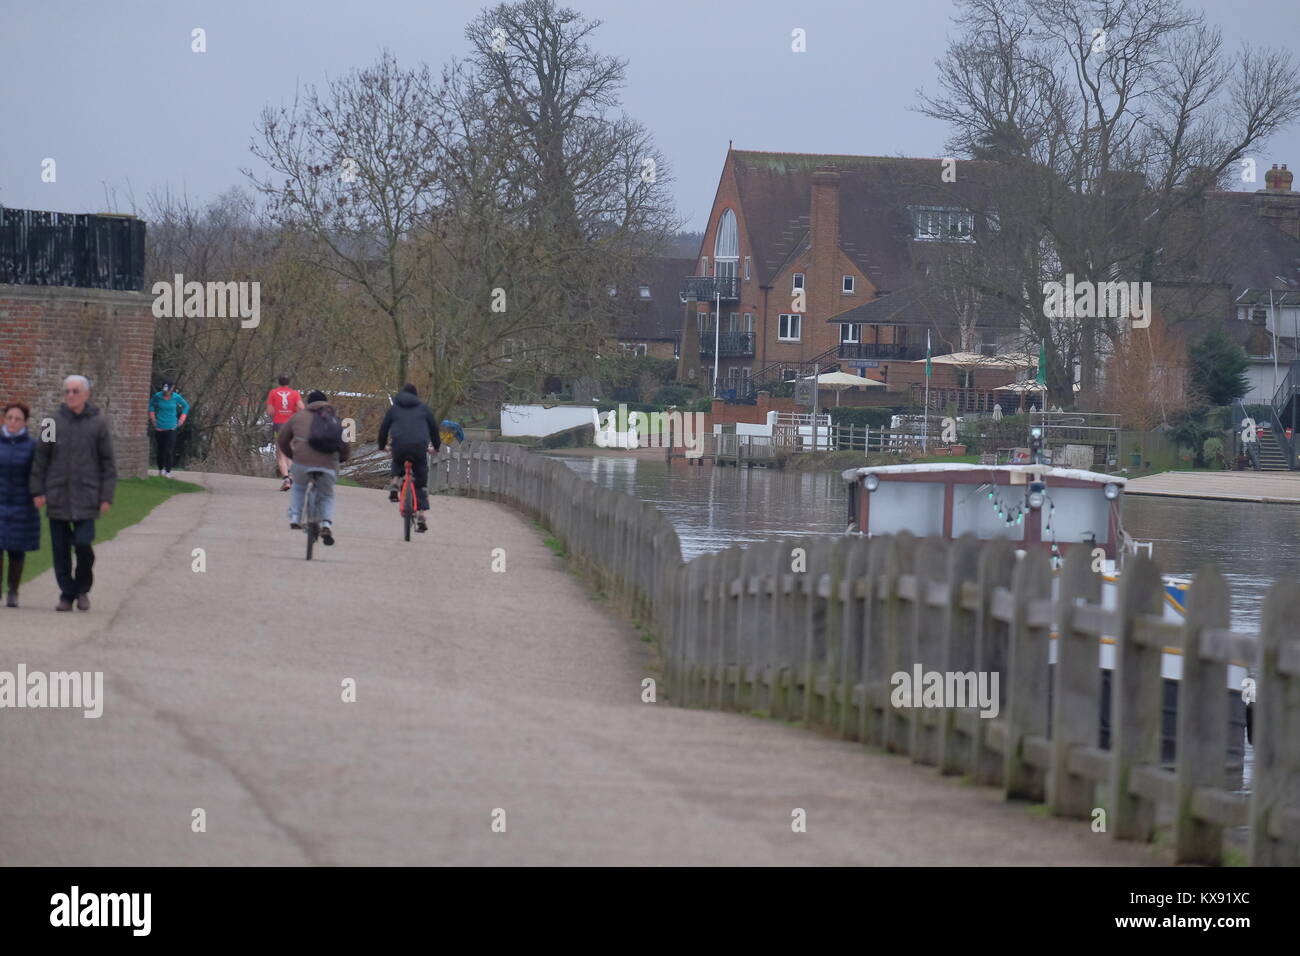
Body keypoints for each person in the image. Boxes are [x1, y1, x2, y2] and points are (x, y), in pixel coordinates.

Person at [29, 375, 117, 612]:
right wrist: (38, 490)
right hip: (58, 496)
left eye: (75, 391)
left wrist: (106, 496)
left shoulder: (98, 424)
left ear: (86, 394)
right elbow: (41, 459)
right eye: (67, 391)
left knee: (82, 543)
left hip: (87, 497)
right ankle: (67, 594)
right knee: (60, 549)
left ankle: (83, 588)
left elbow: (108, 463)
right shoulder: (51, 422)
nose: (70, 395)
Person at [276, 390, 350, 545]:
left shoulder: (298, 417)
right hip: (328, 464)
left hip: (302, 462)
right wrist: (341, 459)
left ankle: (296, 517)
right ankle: (326, 524)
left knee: (298, 487)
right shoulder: (335, 419)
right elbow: (345, 445)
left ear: (308, 403)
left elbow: (282, 440)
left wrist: (292, 455)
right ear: (326, 402)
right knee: (328, 494)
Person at [377, 384, 441, 533]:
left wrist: (382, 445)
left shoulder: (394, 409)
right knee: (420, 481)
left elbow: (384, 428)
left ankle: (394, 483)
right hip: (419, 447)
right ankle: (421, 515)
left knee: (398, 461)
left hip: (399, 444)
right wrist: (436, 447)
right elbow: (434, 430)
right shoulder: (424, 409)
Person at [0, 402, 41, 608]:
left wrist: (38, 493)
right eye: (9, 418)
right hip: (0, 502)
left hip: (21, 504)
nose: (13, 422)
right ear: (4, 419)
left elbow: (37, 473)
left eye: (17, 419)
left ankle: (13, 591)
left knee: (16, 549)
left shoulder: (32, 446)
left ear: (25, 422)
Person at [266, 374, 304, 491]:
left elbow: (269, 411)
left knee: (280, 453)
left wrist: (277, 413)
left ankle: (286, 479)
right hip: (292, 425)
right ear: (289, 382)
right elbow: (302, 407)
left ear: (278, 382)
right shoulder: (295, 393)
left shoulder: (273, 393)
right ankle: (292, 474)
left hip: (279, 425)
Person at [148, 380, 190, 478]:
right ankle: (160, 470)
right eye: (164, 389)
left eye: (168, 389)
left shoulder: (176, 397)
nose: (165, 392)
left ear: (172, 388)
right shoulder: (158, 396)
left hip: (172, 427)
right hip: (159, 427)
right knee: (160, 450)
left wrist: (181, 419)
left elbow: (186, 406)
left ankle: (168, 472)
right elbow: (151, 405)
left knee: (169, 450)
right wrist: (153, 419)